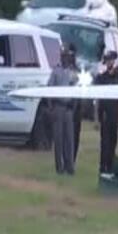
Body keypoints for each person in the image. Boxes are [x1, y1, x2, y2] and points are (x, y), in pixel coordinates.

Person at [49, 46, 78, 175]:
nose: (66, 58)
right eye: (64, 56)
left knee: (69, 139)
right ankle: (59, 167)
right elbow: (49, 89)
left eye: (68, 56)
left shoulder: (72, 72)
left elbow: (76, 89)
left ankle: (69, 166)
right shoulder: (56, 71)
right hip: (58, 106)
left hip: (69, 108)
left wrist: (75, 106)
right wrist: (51, 107)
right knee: (58, 139)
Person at [95, 50, 118, 175]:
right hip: (105, 114)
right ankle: (103, 167)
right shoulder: (101, 78)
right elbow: (97, 99)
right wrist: (96, 118)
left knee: (113, 141)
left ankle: (110, 166)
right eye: (108, 60)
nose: (110, 62)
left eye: (111, 60)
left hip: (115, 113)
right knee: (105, 142)